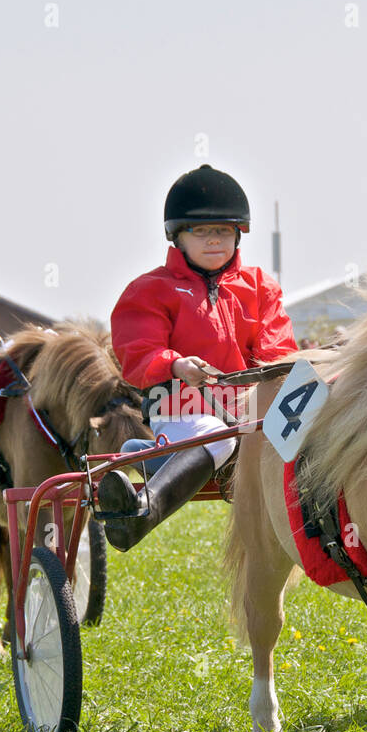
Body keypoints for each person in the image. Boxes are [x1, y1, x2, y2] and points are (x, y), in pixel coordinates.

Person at [98, 163, 297, 551]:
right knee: (212, 431)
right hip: (180, 410)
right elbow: (138, 353)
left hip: (250, 414)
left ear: (238, 234)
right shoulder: (148, 290)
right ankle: (140, 513)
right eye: (201, 232)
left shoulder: (261, 288)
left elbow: (278, 353)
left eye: (222, 231)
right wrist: (175, 364)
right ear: (177, 237)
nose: (213, 241)